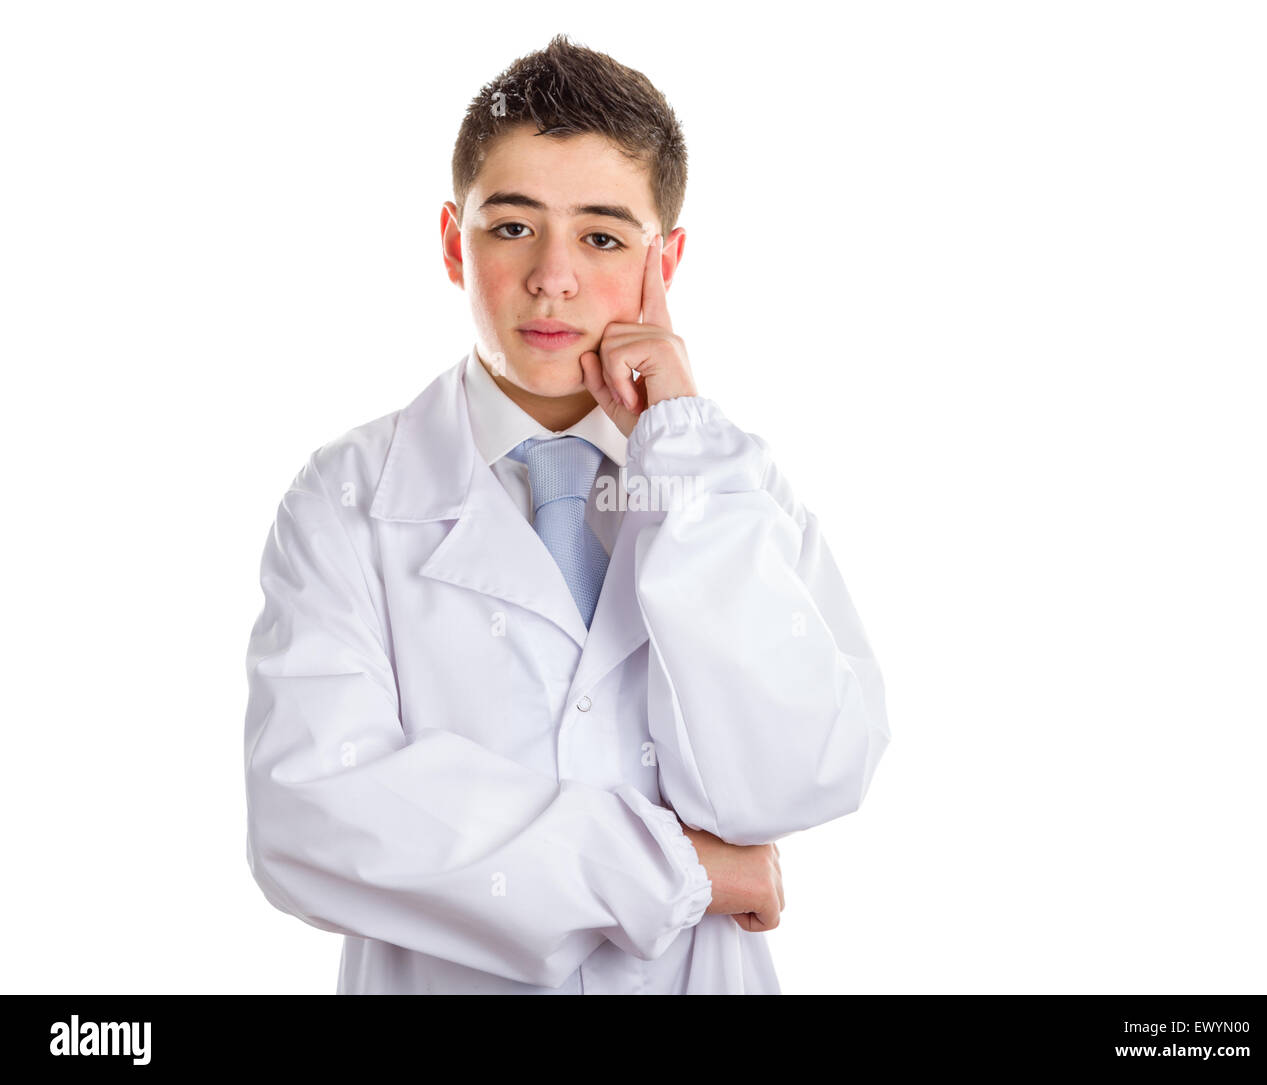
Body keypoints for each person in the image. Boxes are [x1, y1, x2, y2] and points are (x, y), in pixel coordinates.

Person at [243, 33, 890, 995]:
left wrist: (684, 454)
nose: (553, 276)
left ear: (662, 260)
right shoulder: (344, 501)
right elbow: (313, 817)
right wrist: (678, 871)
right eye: (512, 227)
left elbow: (797, 774)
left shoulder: (730, 486)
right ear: (452, 243)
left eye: (601, 235)